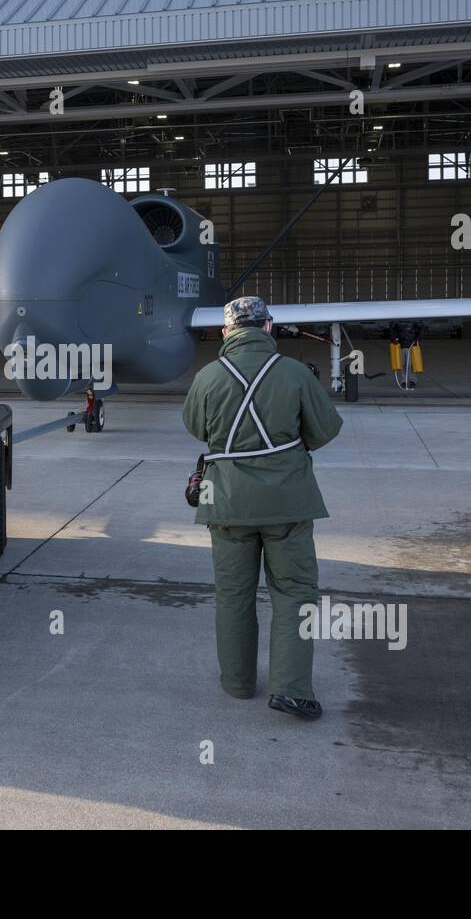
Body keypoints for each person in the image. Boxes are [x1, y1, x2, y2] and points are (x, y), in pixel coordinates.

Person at [183, 296, 343, 721]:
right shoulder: (294, 374)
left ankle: (237, 684)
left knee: (233, 594)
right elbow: (326, 430)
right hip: (288, 503)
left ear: (225, 332)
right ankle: (291, 689)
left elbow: (198, 430)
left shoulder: (207, 377)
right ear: (269, 327)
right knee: (294, 593)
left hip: (226, 503)